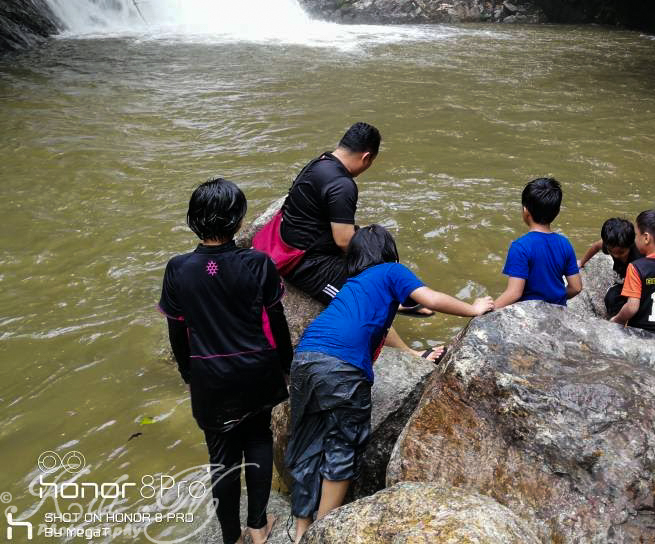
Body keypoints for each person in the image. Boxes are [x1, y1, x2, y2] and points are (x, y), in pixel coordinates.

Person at [285, 225, 493, 542]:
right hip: (342, 366)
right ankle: (321, 531)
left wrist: (410, 315)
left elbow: (387, 310)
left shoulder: (352, 284)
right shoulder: (391, 270)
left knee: (307, 442)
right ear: (387, 253)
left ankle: (300, 530)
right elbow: (431, 298)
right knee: (344, 444)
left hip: (305, 357)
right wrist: (473, 308)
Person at [159, 179, 292, 544]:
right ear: (237, 221)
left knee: (222, 456)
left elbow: (177, 331)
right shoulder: (258, 264)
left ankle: (230, 535)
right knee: (259, 441)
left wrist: (189, 373)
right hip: (256, 369)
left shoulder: (178, 269)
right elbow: (277, 322)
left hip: (210, 377)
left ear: (193, 220)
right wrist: (285, 366)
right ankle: (258, 526)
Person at [276, 121, 439, 359]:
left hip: (298, 244)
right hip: (305, 264)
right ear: (367, 157)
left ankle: (399, 301)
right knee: (370, 293)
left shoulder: (320, 162)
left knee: (373, 257)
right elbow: (344, 242)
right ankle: (411, 353)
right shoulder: (342, 185)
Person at [493, 177, 582, 309]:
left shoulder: (520, 247)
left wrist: (487, 310)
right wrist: (556, 299)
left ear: (525, 211)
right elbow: (576, 287)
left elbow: (514, 293)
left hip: (529, 314)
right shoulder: (565, 243)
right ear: (556, 212)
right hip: (558, 311)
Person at [577, 217, 638, 317]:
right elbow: (595, 247)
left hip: (637, 280)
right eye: (611, 251)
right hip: (622, 278)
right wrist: (581, 262)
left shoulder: (638, 255)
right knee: (610, 298)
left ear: (630, 245)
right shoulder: (610, 245)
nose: (616, 255)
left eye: (621, 252)